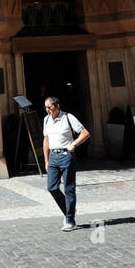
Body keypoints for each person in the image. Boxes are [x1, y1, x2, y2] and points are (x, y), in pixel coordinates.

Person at [41, 96, 90, 232]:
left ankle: (70, 219)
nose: (47, 110)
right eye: (45, 108)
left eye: (49, 107)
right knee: (52, 187)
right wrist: (46, 160)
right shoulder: (46, 120)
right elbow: (46, 141)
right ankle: (70, 209)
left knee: (69, 187)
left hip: (65, 156)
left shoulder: (68, 117)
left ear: (57, 106)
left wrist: (74, 144)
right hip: (53, 157)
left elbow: (85, 133)